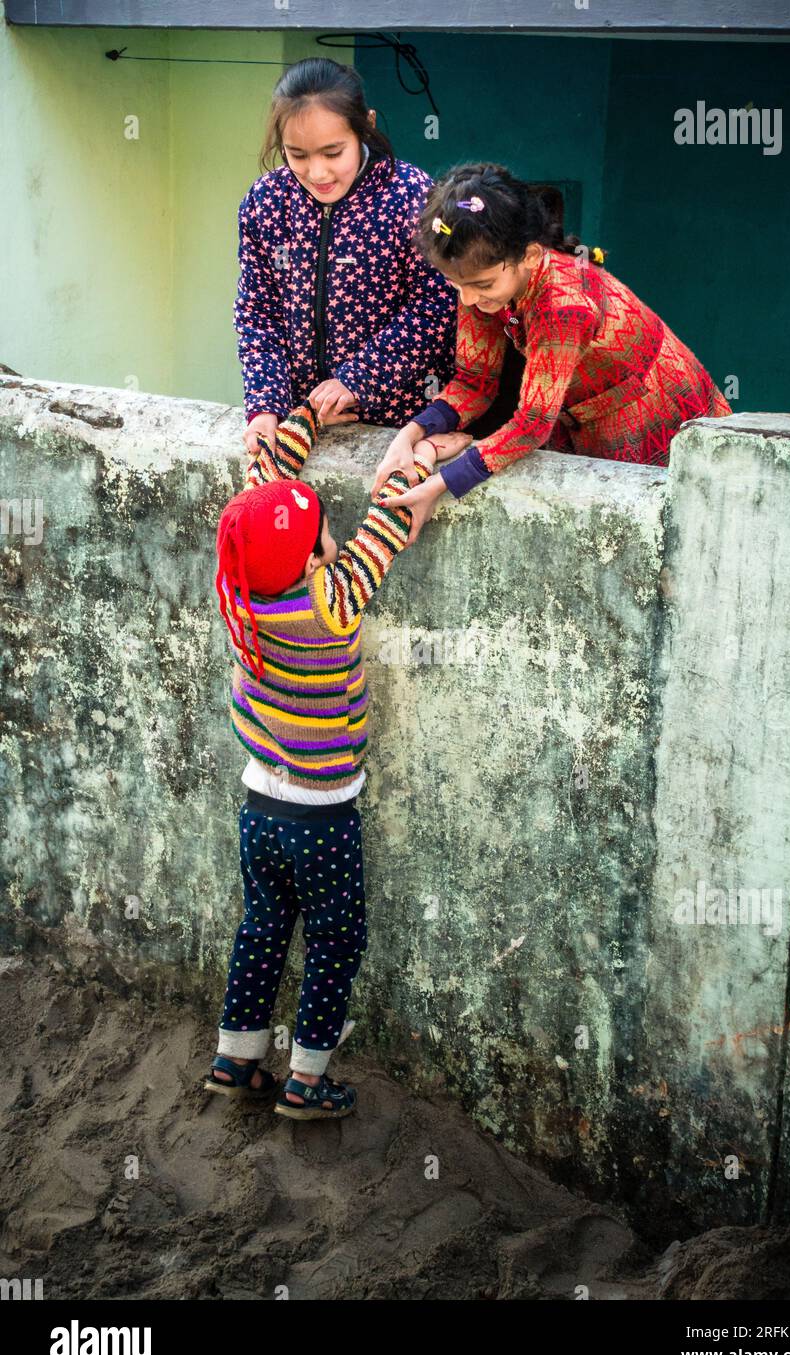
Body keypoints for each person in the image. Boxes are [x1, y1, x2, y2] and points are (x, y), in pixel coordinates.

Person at [204, 399, 468, 1119]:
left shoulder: (239, 590)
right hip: (323, 817)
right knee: (332, 942)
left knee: (261, 928)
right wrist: (422, 455)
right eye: (323, 531)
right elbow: (389, 517)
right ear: (316, 557)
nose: (330, 532)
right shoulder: (334, 602)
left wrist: (303, 422)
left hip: (260, 807)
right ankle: (308, 1080)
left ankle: (237, 1060)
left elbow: (264, 487)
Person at [370, 162, 733, 542]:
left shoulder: (562, 304)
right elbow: (475, 383)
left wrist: (440, 485)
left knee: (679, 536)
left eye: (482, 284)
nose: (469, 299)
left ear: (528, 255)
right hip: (581, 418)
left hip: (659, 414)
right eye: (456, 284)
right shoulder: (478, 284)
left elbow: (531, 423)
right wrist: (409, 435)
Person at [234, 57, 457, 460]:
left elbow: (438, 307)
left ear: (365, 126)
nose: (317, 172)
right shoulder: (266, 202)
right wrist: (265, 406)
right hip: (300, 425)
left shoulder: (412, 197)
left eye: (333, 152)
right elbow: (257, 311)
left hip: (398, 429)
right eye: (296, 154)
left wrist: (356, 380)